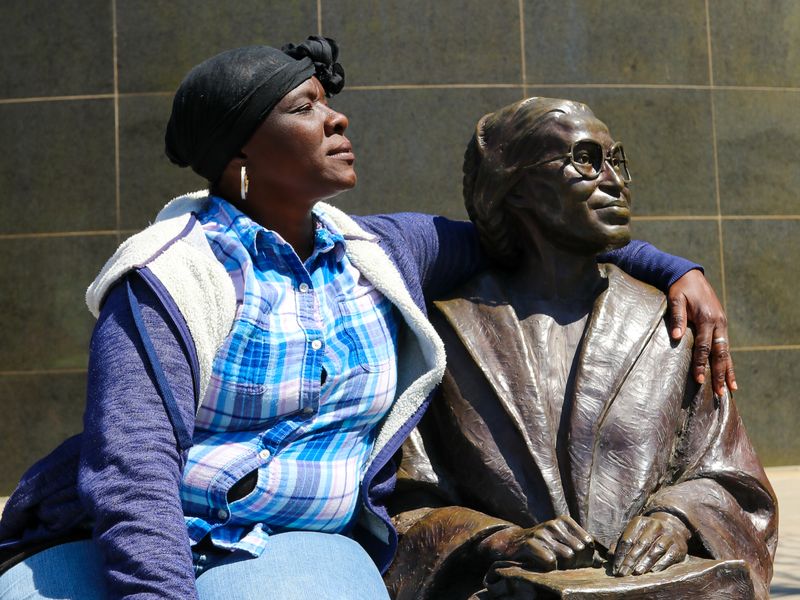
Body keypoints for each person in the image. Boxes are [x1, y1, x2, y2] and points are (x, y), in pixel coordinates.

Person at [0, 40, 732, 600]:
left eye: (328, 101)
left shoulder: (381, 250)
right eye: (304, 107)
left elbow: (532, 224)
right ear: (239, 156)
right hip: (137, 540)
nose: (336, 117)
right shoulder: (168, 274)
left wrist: (676, 269)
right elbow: (133, 475)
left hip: (297, 540)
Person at [385, 97, 776, 600]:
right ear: (516, 185)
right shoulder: (442, 334)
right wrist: (496, 540)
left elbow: (738, 486)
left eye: (618, 160)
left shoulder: (669, 322)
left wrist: (677, 517)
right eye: (586, 159)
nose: (615, 180)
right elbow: (404, 506)